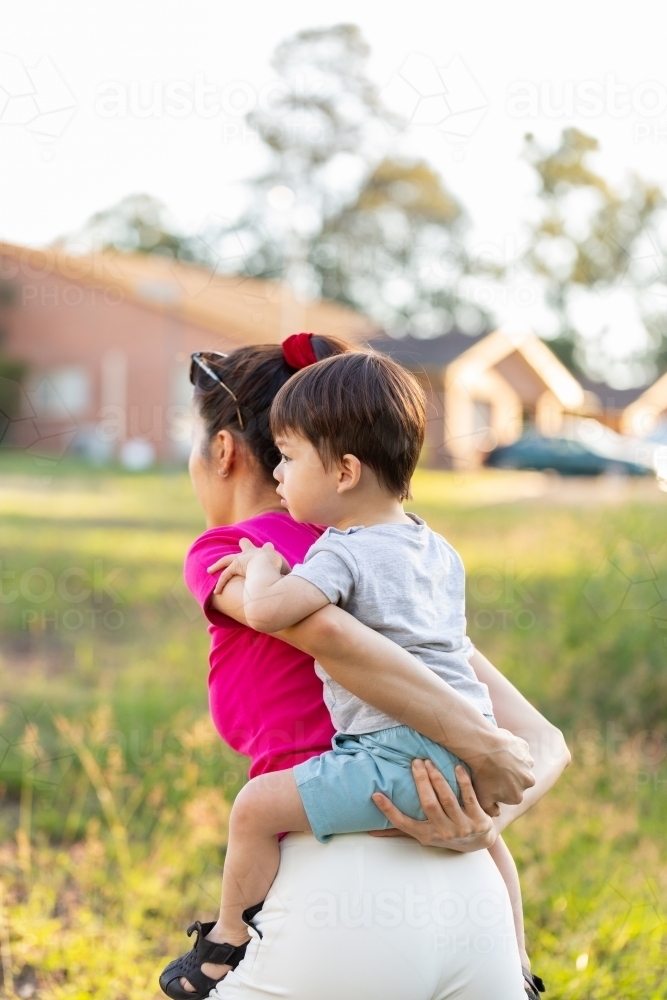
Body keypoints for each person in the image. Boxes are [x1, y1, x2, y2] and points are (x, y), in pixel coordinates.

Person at [159, 335, 569, 1000]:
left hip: (339, 893)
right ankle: (522, 972)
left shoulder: (236, 552)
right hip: (474, 892)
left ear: (224, 452)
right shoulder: (397, 563)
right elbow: (546, 743)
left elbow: (327, 635)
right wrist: (479, 804)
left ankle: (220, 944)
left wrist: (481, 744)